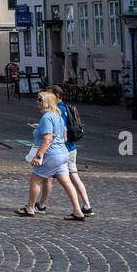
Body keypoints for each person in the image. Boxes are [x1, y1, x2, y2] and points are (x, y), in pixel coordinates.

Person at [15, 90, 84, 221]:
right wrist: (40, 127)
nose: (37, 102)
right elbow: (63, 136)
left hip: (51, 154)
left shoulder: (47, 117)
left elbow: (47, 139)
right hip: (63, 153)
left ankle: (30, 208)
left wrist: (39, 155)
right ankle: (78, 211)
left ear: (46, 102)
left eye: (39, 100)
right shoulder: (57, 114)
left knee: (36, 180)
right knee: (67, 183)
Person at [37, 86, 93, 216]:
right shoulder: (66, 107)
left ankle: (41, 206)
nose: (45, 97)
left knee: (49, 177)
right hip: (70, 148)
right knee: (71, 177)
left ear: (56, 95)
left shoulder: (58, 110)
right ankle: (87, 206)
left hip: (61, 150)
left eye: (48, 94)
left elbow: (62, 132)